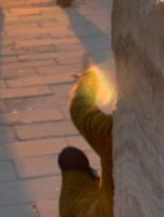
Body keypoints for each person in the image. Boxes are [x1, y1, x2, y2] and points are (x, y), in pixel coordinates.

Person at [57, 68, 115, 217]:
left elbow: (80, 107)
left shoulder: (111, 131)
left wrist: (89, 77)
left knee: (69, 156)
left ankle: (94, 180)